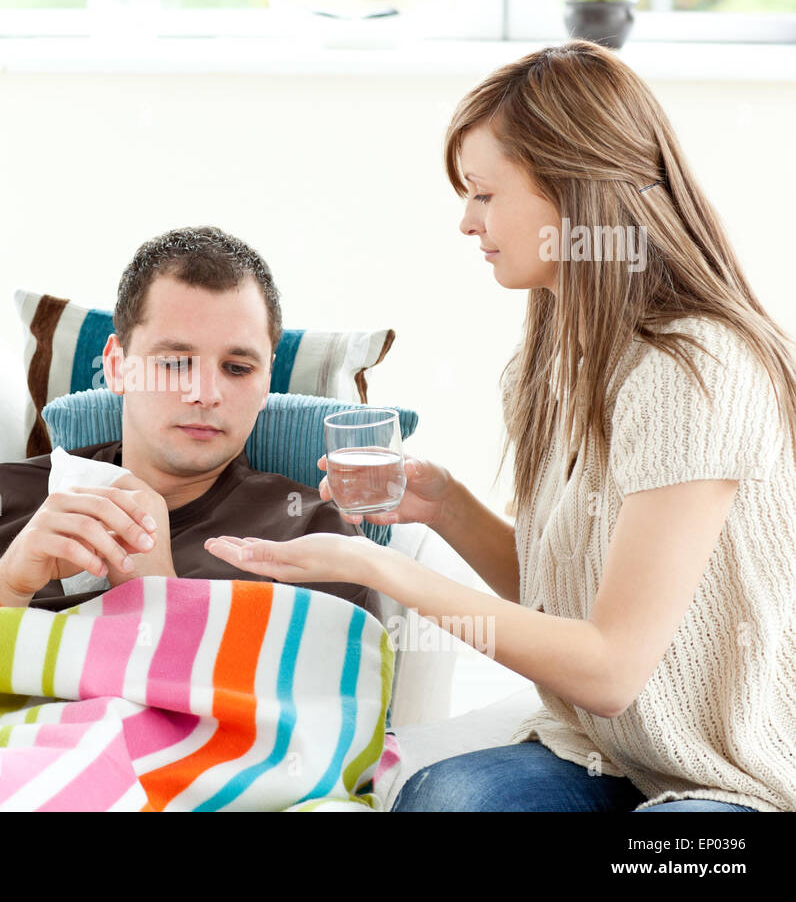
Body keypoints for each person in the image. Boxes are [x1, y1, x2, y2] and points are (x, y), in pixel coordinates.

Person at [205, 41, 796, 813]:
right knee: (447, 801)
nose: (465, 222)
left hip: (741, 781)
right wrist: (448, 505)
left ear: (573, 192)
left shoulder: (694, 372)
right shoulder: (552, 365)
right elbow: (571, 607)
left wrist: (385, 570)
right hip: (615, 758)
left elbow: (610, 669)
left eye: (483, 194)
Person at [0, 225, 384, 618]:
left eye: (237, 368)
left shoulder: (318, 538)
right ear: (116, 366)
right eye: (174, 363)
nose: (205, 394)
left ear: (267, 380)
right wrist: (6, 591)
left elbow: (329, 706)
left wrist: (155, 597)